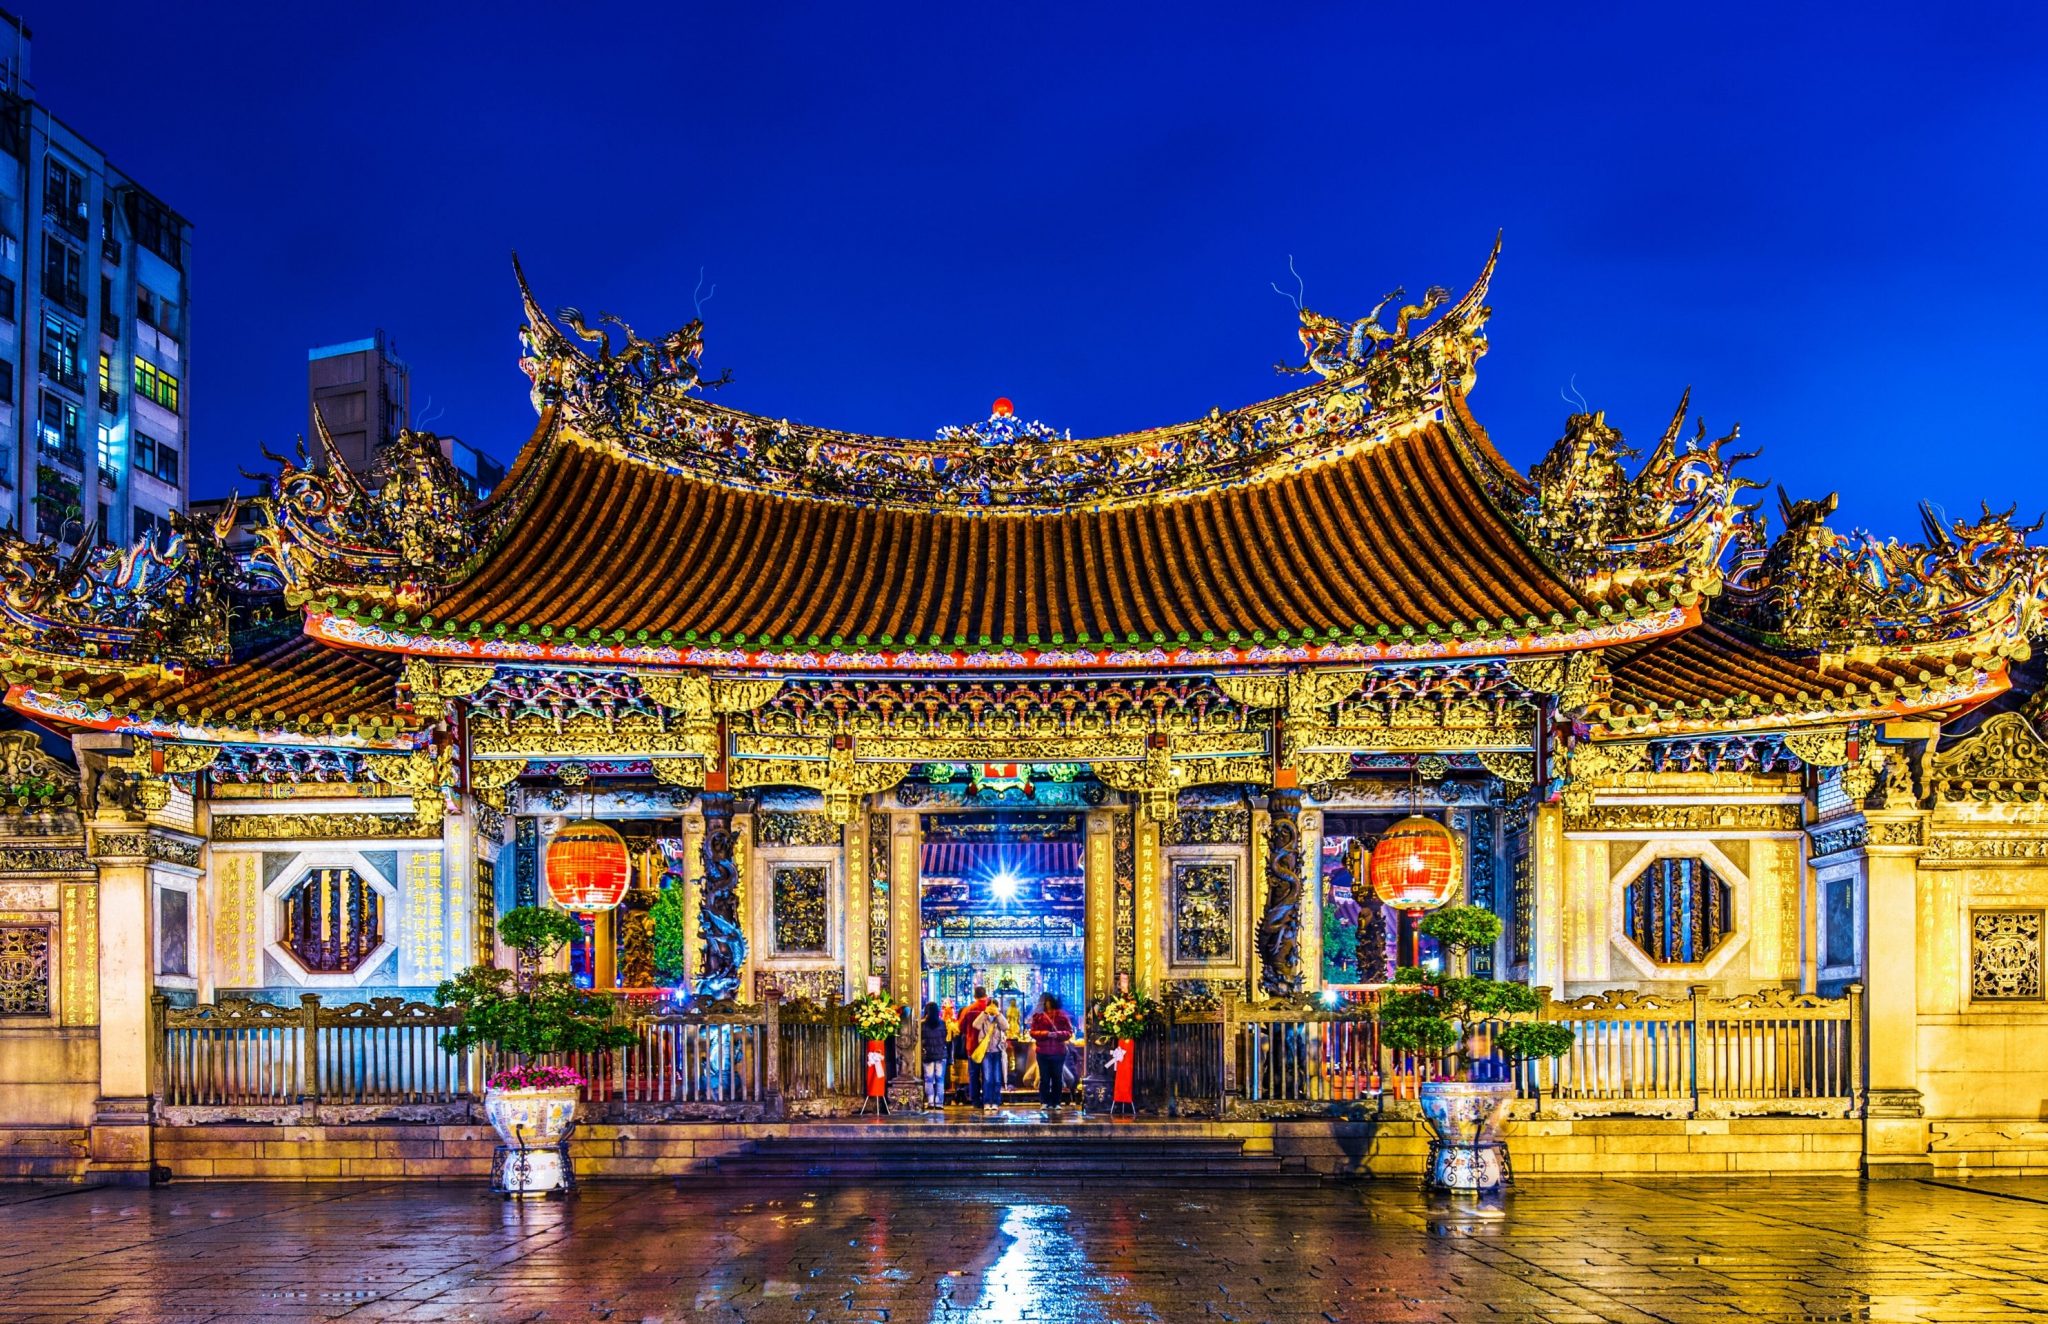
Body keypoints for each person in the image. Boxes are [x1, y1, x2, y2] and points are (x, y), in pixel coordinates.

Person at [1028, 993, 1074, 1109]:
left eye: (1048, 1001)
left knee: (1057, 1078)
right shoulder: (1038, 1016)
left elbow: (1069, 1032)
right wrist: (1046, 1034)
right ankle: (1044, 1101)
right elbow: (1032, 1032)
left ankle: (1056, 1102)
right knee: (1044, 1078)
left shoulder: (1061, 1015)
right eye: (1045, 1002)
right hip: (1043, 1052)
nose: (1047, 1004)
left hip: (1058, 1052)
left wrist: (1057, 1034)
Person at [971, 995, 1009, 1110]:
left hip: (998, 1051)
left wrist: (998, 1014)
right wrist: (984, 1013)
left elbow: (1006, 1026)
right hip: (986, 1052)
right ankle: (987, 1102)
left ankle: (996, 1102)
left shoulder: (999, 1019)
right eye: (990, 1007)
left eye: (994, 1007)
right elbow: (975, 1025)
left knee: (997, 1078)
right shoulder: (984, 1019)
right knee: (987, 1078)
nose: (992, 1009)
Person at [958, 985, 993, 1107]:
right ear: (986, 995)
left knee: (974, 1074)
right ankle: (988, 1100)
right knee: (987, 1075)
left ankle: (976, 1100)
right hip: (989, 1046)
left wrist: (969, 1033)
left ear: (974, 996)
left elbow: (960, 1027)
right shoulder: (991, 1009)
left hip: (972, 1046)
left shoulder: (968, 1009)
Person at [919, 1002, 949, 1111]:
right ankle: (939, 1103)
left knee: (929, 1079)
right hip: (941, 1055)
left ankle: (931, 1102)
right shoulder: (942, 1023)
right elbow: (945, 1038)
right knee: (940, 1079)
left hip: (928, 1055)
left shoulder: (922, 1025)